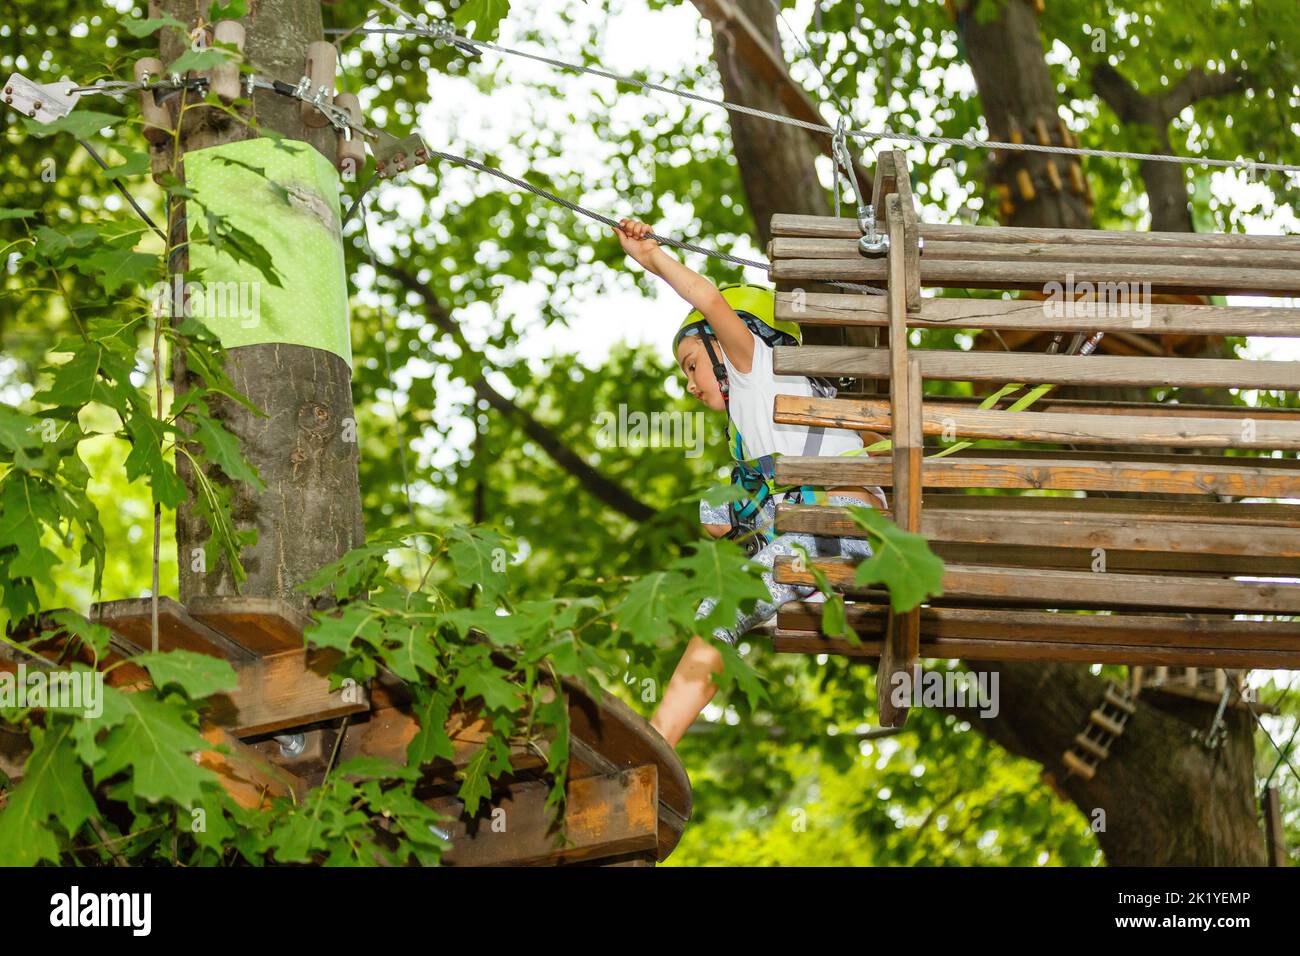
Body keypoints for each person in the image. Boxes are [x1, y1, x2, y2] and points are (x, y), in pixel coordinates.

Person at [612, 218, 887, 748]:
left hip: (840, 526)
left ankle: (657, 741)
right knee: (715, 522)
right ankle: (806, 582)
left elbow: (710, 300)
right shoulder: (763, 418)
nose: (690, 384)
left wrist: (652, 259)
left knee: (718, 612)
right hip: (828, 530)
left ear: (726, 345)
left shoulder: (758, 369)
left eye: (692, 365)